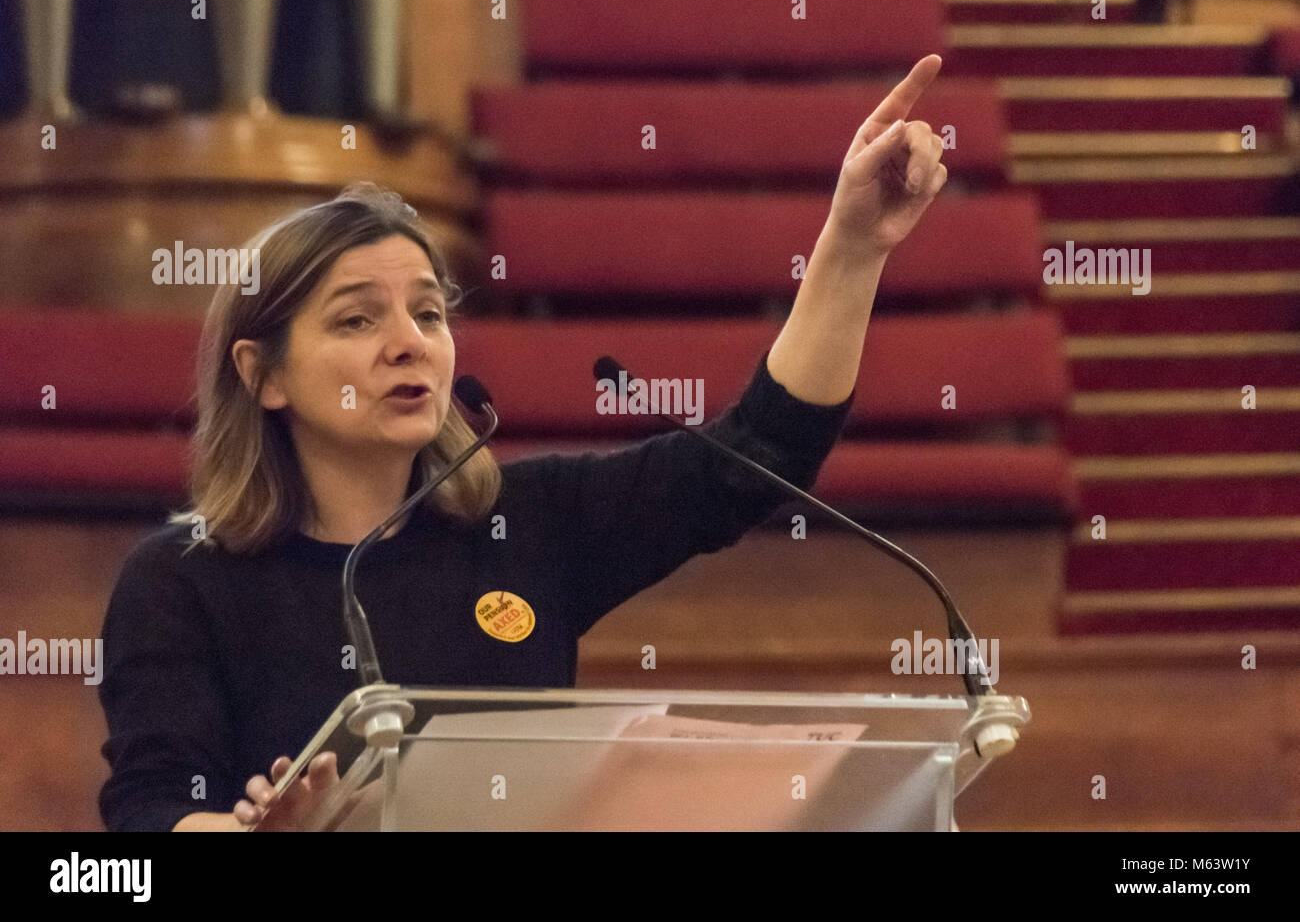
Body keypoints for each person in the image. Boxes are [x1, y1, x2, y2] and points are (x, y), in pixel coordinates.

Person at [97, 56, 950, 831]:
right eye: (358, 318)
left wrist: (851, 247)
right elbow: (147, 812)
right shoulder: (181, 579)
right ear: (263, 374)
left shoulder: (527, 524)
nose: (411, 343)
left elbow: (758, 456)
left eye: (428, 312)